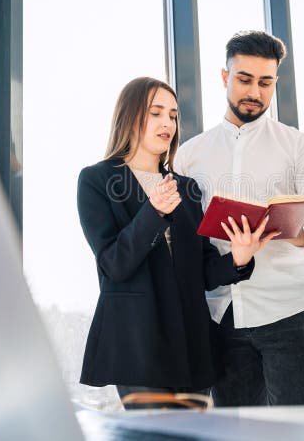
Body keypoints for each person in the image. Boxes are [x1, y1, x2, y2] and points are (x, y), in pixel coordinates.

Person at [76, 77, 279, 405]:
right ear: (129, 116)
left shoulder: (187, 187)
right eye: (156, 113)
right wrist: (153, 212)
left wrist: (239, 258)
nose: (167, 122)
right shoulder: (97, 180)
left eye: (172, 115)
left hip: (191, 341)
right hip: (137, 340)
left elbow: (203, 268)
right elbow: (114, 263)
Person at [173, 31, 304, 406]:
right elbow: (184, 241)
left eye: (265, 82)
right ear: (224, 78)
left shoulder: (298, 146)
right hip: (221, 316)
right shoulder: (189, 156)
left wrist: (289, 230)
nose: (255, 91)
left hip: (289, 313)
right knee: (237, 432)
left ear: (275, 83)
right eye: (244, 79)